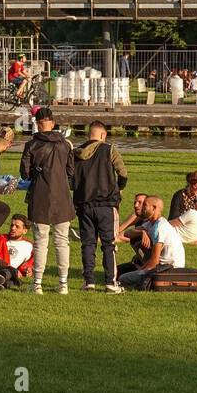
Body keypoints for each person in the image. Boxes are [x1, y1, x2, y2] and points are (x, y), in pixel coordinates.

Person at [20, 108, 75, 294]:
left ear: (37, 123)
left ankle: (37, 283)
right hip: (62, 198)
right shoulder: (65, 144)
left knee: (40, 241)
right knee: (62, 241)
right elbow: (71, 171)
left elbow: (25, 173)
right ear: (52, 123)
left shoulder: (32, 145)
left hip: (40, 196)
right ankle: (63, 283)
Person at [72, 120, 128, 293]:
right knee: (109, 244)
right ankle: (111, 282)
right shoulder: (108, 149)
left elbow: (69, 179)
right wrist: (119, 187)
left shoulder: (76, 152)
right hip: (106, 204)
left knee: (87, 244)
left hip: (83, 204)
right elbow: (123, 172)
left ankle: (89, 281)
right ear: (103, 134)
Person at [118, 197, 185, 288]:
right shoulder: (151, 224)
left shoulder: (159, 228)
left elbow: (154, 261)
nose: (142, 208)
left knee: (123, 278)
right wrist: (142, 232)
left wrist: (141, 271)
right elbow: (127, 233)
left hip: (168, 269)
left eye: (145, 205)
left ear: (154, 208)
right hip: (162, 266)